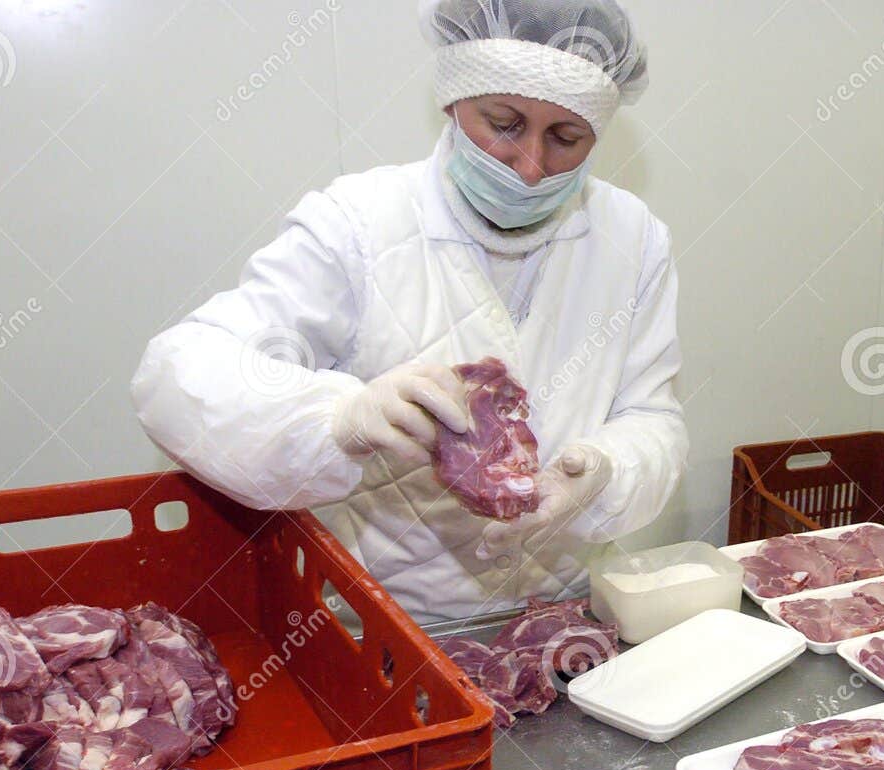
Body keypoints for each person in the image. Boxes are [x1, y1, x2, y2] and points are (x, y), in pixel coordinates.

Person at [131, 0, 687, 624]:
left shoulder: (632, 237)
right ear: (455, 101)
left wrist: (605, 473)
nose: (531, 165)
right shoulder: (359, 224)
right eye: (504, 122)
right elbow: (177, 373)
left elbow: (651, 415)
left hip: (564, 618)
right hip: (388, 633)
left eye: (565, 138)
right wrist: (338, 419)